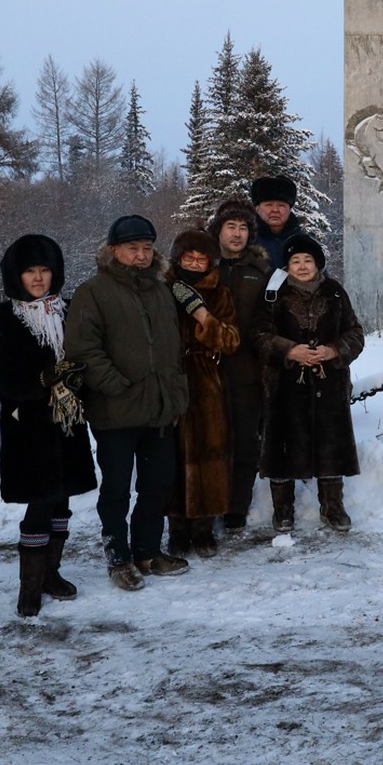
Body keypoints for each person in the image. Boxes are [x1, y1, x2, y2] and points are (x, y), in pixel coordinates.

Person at [65, 214, 191, 590]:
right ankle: (118, 557)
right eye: (133, 248)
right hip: (115, 410)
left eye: (147, 248)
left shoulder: (161, 289)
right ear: (114, 250)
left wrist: (176, 388)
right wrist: (116, 385)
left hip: (159, 408)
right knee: (117, 488)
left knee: (157, 484)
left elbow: (171, 346)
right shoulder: (94, 291)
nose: (141, 255)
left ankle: (148, 552)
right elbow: (83, 349)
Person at [0, 234, 98, 618]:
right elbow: (3, 376)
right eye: (30, 271)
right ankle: (29, 587)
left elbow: (86, 354)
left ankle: (52, 573)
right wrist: (43, 380)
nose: (38, 278)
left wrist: (77, 377)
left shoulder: (67, 311)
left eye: (45, 270)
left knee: (62, 504)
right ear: (16, 276)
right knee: (39, 505)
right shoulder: (4, 316)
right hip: (28, 426)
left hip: (66, 422)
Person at [254, 234, 365, 532]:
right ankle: (283, 510)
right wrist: (289, 350)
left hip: (329, 383)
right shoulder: (273, 293)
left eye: (308, 260)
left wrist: (334, 350)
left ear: (318, 264)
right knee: (283, 445)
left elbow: (355, 333)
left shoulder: (335, 292)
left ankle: (332, 506)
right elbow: (259, 336)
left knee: (330, 443)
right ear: (287, 265)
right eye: (295, 261)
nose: (302, 266)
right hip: (284, 385)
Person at [165, 229, 243, 558]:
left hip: (207, 380)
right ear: (178, 259)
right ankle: (177, 528)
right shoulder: (161, 290)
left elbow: (231, 340)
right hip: (170, 380)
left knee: (210, 455)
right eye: (189, 258)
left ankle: (203, 528)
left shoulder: (220, 293)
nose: (196, 264)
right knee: (171, 457)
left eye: (202, 259)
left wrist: (201, 315)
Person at [207, 197, 273, 531]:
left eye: (244, 227)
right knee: (209, 442)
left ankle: (236, 507)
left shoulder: (262, 272)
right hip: (206, 372)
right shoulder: (203, 267)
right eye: (231, 226)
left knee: (246, 442)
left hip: (247, 370)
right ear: (218, 230)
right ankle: (208, 506)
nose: (237, 234)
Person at [252, 175, 304, 270]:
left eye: (281, 205)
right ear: (257, 208)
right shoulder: (245, 240)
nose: (275, 210)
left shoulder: (302, 241)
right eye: (269, 205)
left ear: (290, 209)